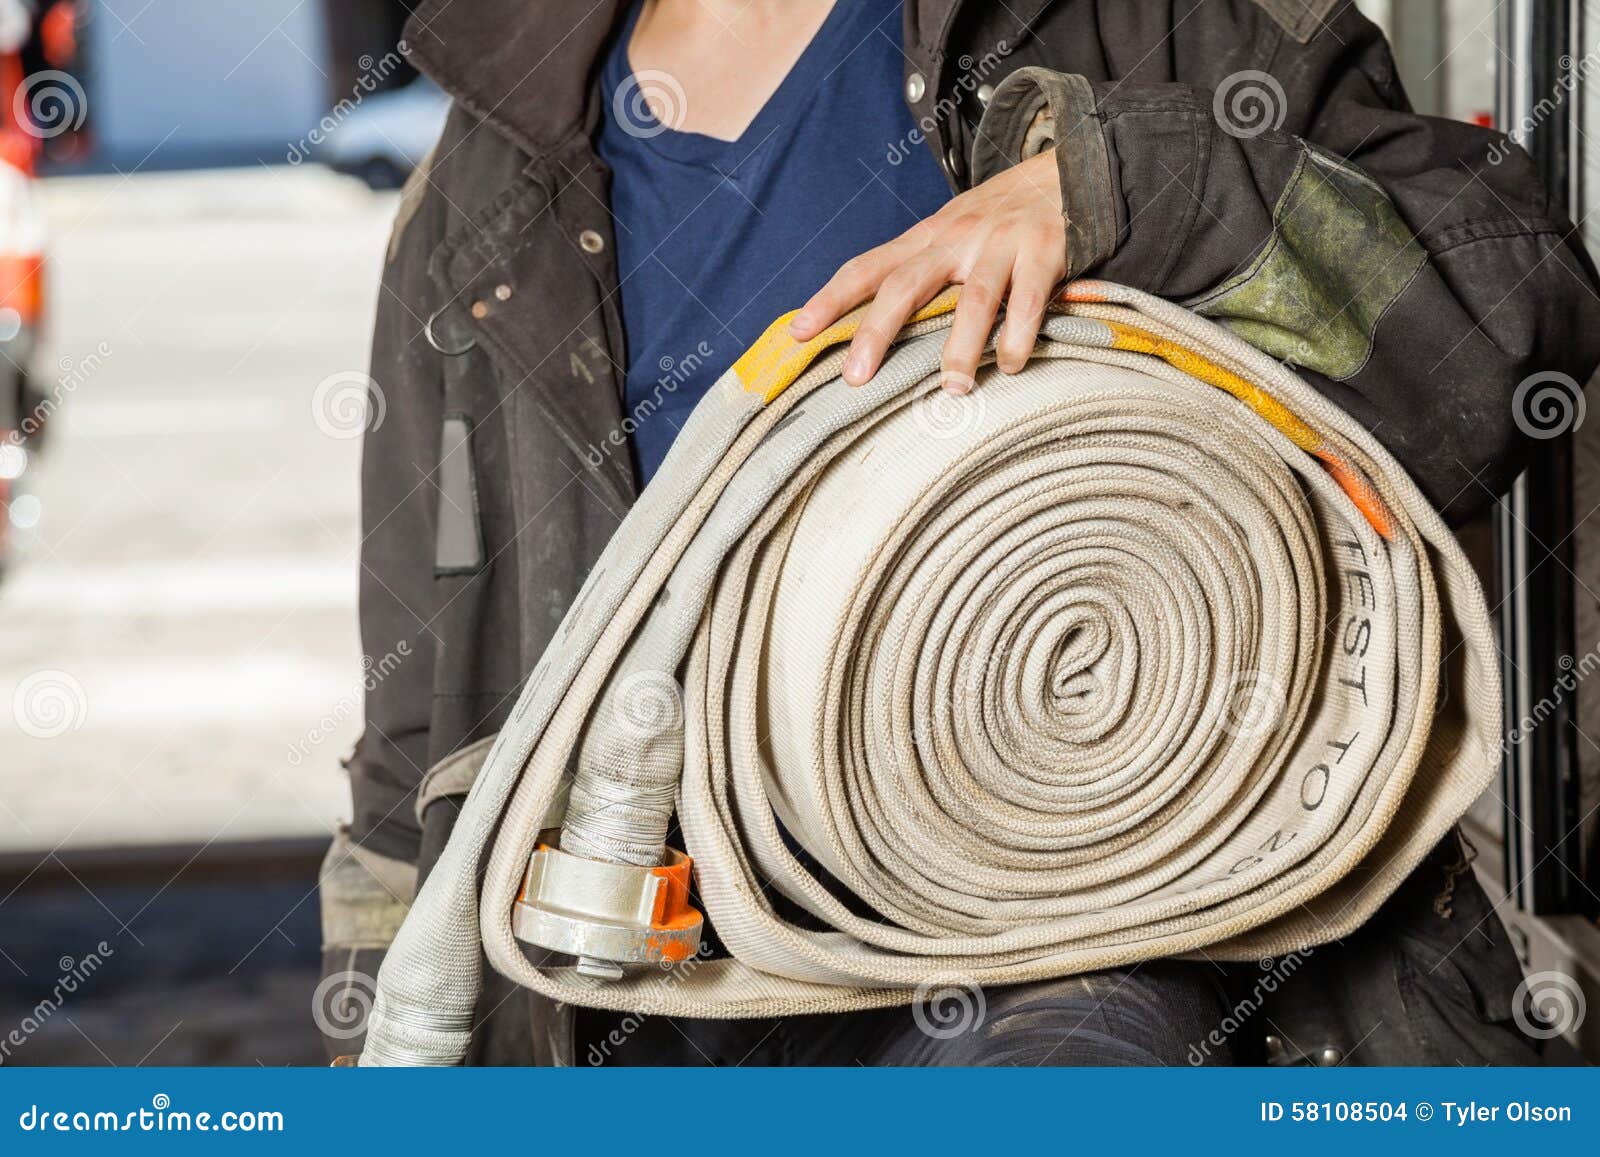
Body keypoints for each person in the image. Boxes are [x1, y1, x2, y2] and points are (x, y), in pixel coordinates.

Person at [319, 0, 1600, 1065]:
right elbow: (423, 739)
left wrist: (1122, 190)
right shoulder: (485, 188)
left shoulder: (1129, 26)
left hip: (1109, 975)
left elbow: (1515, 291)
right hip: (651, 1020)